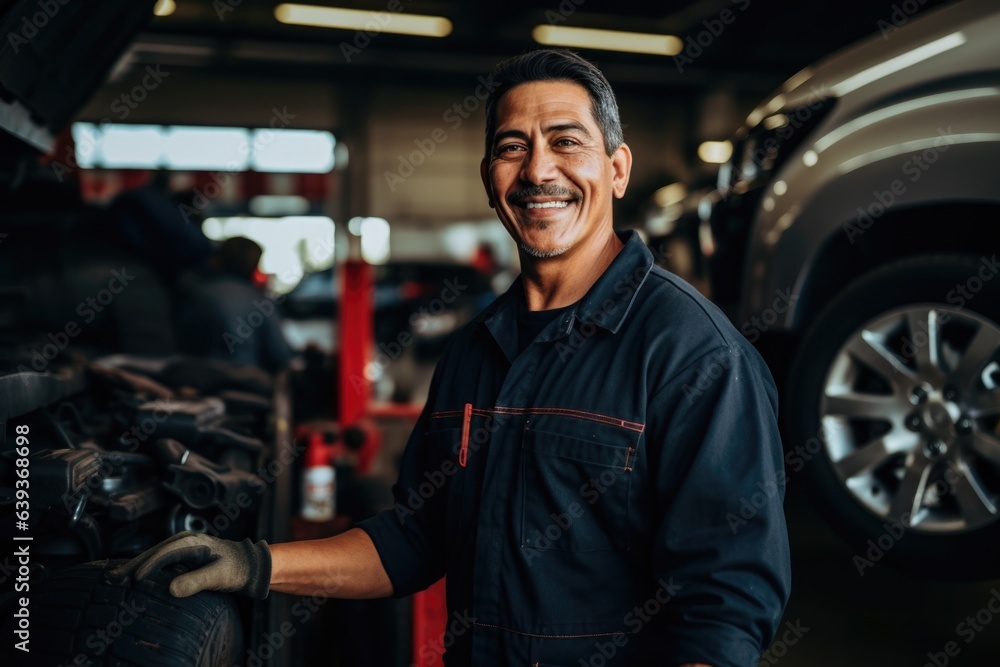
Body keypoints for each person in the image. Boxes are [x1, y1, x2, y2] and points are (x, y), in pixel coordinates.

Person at [115, 49, 791, 666]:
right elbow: (418, 535)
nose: (537, 170)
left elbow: (722, 612)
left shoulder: (694, 354)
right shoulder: (476, 349)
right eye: (512, 147)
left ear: (616, 169)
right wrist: (256, 564)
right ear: (488, 177)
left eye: (566, 143)